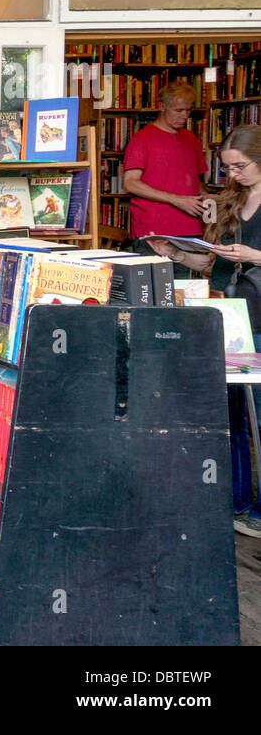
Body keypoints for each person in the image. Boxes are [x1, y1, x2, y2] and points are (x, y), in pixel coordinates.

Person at [148, 124, 261, 538]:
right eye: (227, 168)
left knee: (260, 416)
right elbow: (213, 264)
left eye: (240, 167)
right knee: (231, 416)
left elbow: (246, 257)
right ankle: (235, 502)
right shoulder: (230, 201)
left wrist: (254, 256)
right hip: (231, 317)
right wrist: (175, 252)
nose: (232, 175)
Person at [122, 80, 207, 249]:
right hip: (154, 232)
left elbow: (194, 184)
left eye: (188, 110)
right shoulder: (141, 139)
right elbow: (130, 183)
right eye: (178, 110)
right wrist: (177, 200)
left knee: (187, 276)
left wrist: (210, 198)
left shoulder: (191, 139)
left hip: (190, 229)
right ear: (161, 107)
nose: (185, 116)